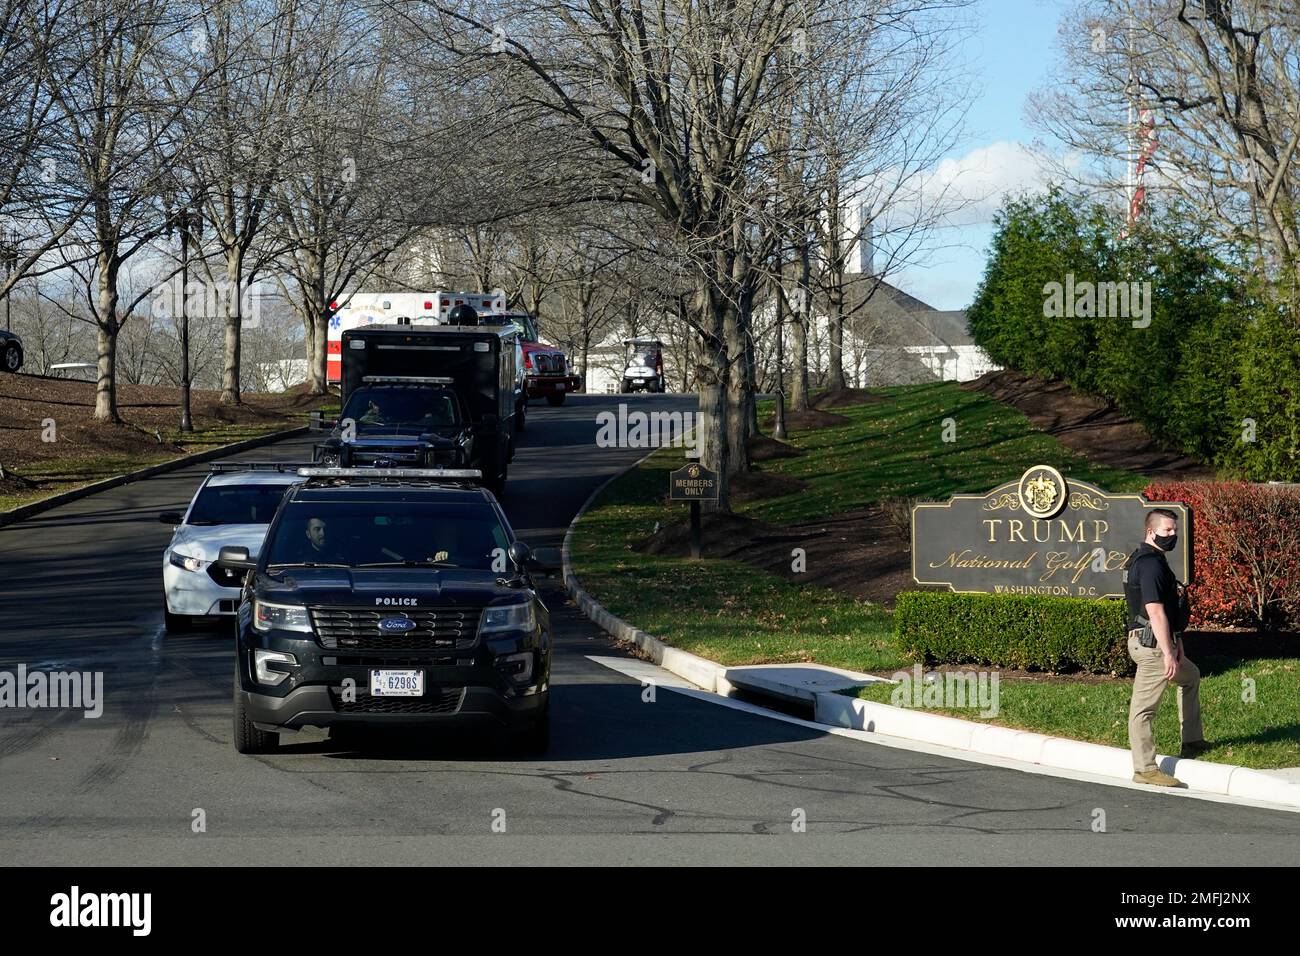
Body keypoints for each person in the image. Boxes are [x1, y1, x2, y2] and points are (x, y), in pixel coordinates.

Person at [1124, 508, 1208, 787]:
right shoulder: (1149, 564)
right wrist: (1168, 652)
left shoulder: (1151, 560)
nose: (1173, 535)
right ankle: (1145, 769)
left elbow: (1170, 610)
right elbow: (1156, 611)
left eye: (1175, 530)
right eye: (1167, 530)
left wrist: (1178, 641)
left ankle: (1193, 741)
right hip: (1152, 646)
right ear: (1151, 531)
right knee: (1143, 709)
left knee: (1190, 676)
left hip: (1161, 641)